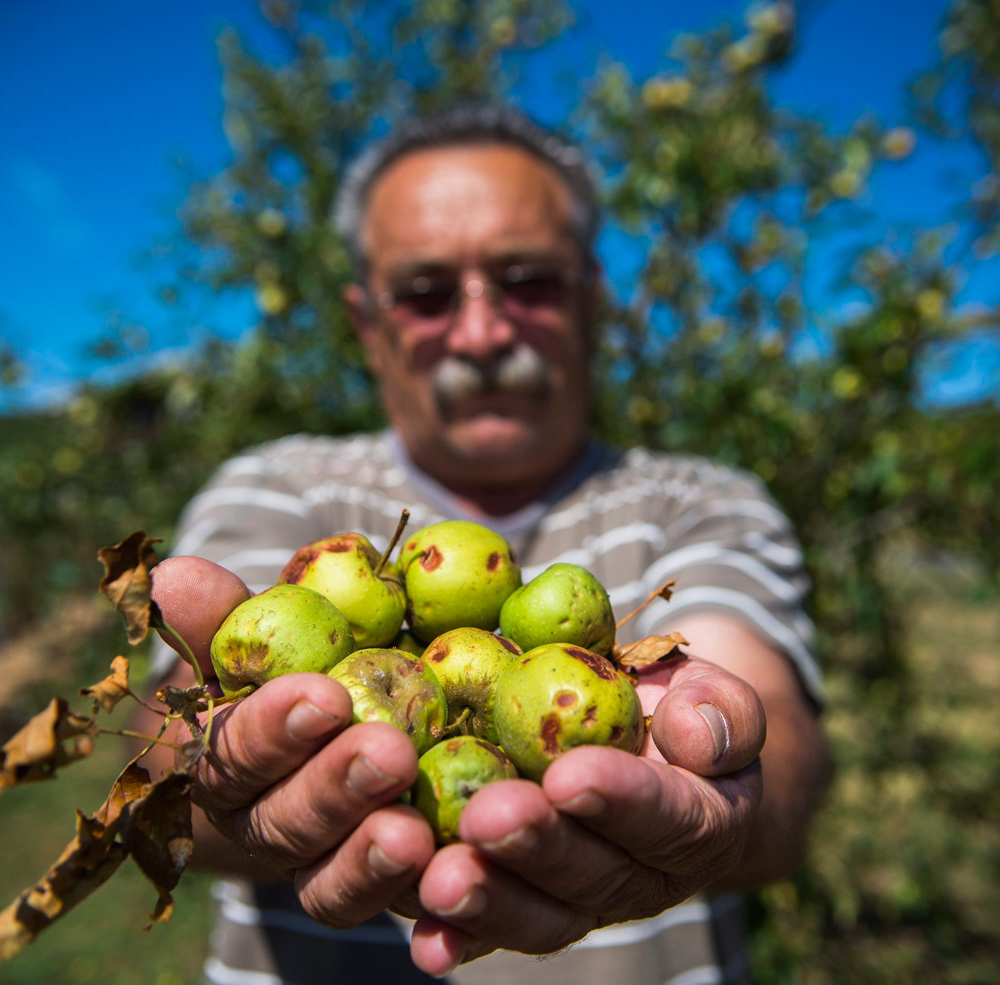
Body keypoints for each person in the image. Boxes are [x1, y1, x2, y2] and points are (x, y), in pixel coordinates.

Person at [138, 102, 830, 985]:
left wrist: (730, 762)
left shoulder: (703, 501)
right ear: (367, 322)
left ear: (591, 296)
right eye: (426, 292)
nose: (481, 331)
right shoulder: (281, 488)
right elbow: (168, 741)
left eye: (528, 280)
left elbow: (774, 740)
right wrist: (204, 771)